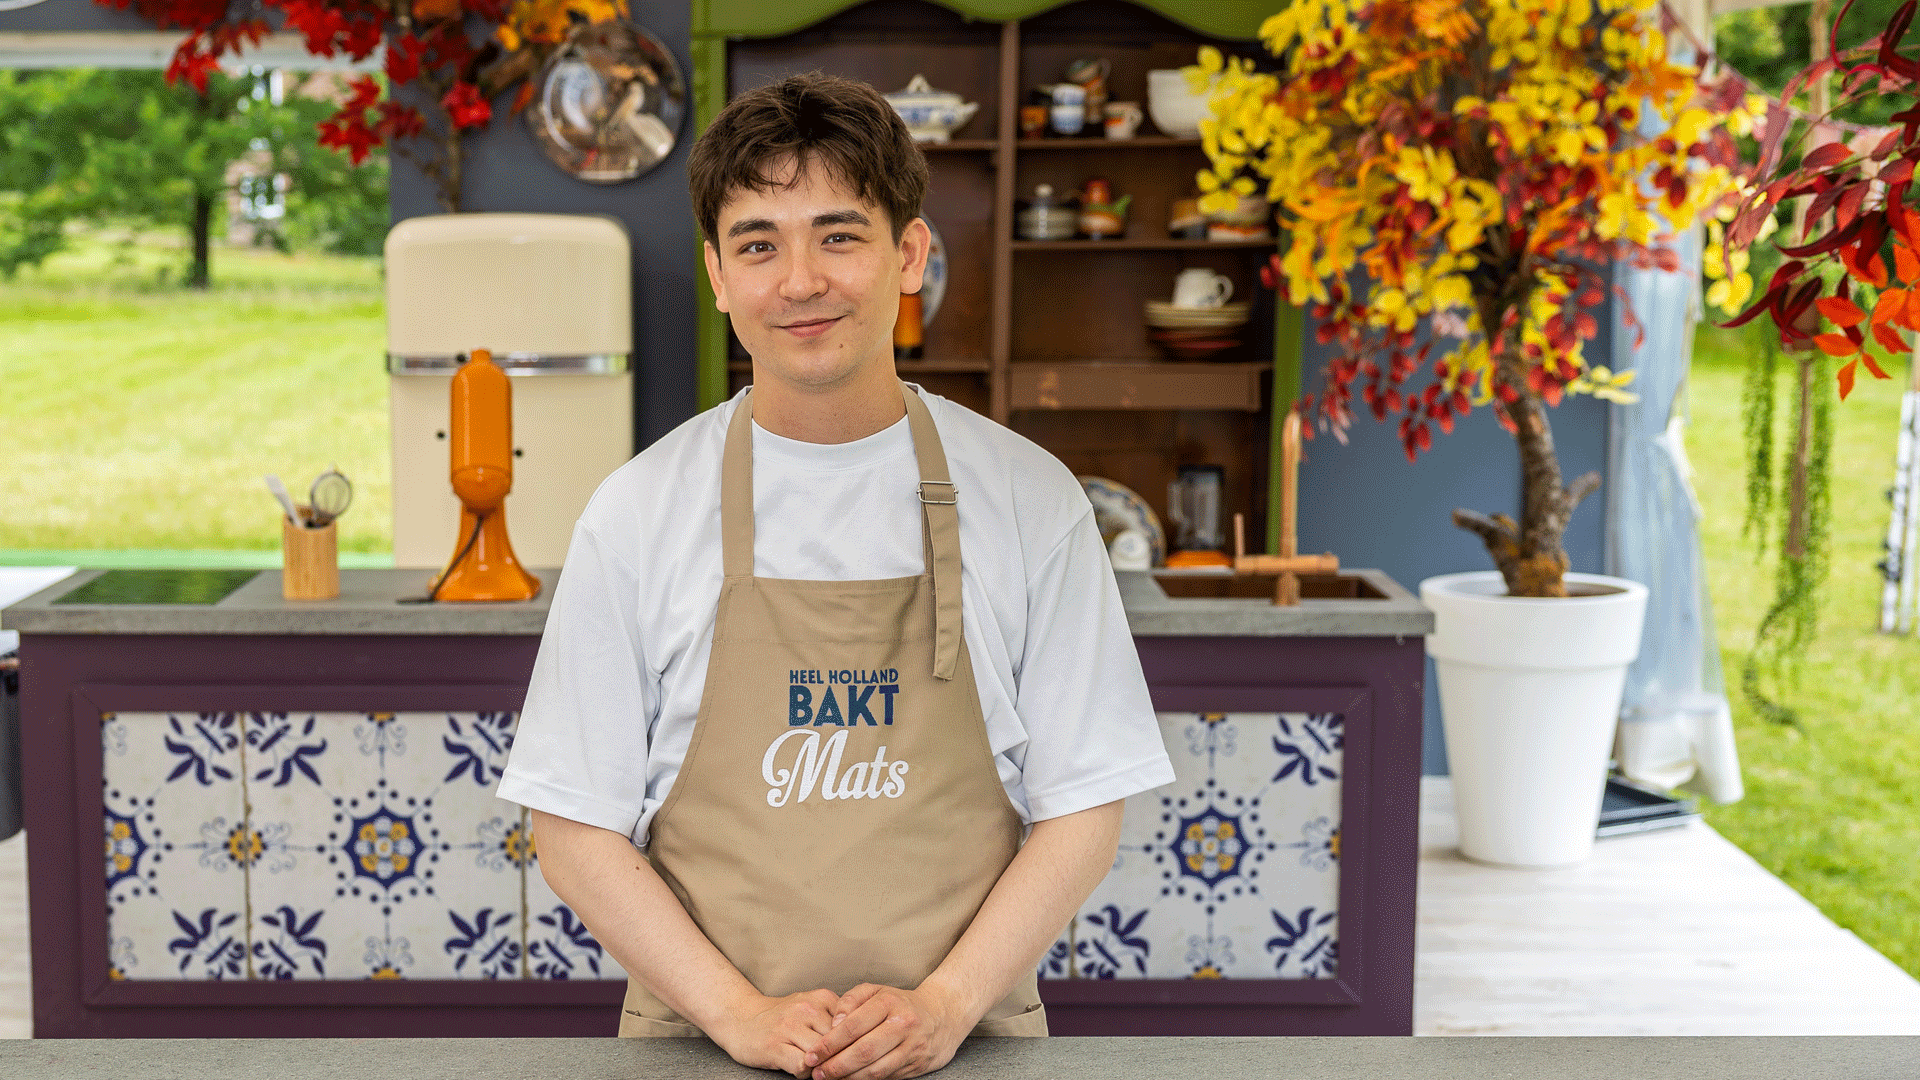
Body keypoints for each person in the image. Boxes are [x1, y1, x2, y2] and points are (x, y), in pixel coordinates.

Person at [496, 72, 1173, 1080]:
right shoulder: (637, 514)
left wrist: (943, 1006)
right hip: (701, 1048)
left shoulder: (1031, 499)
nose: (800, 280)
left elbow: (1086, 803)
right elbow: (573, 829)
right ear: (720, 275)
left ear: (909, 255)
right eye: (759, 243)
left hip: (969, 1044)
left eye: (839, 235)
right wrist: (740, 1017)